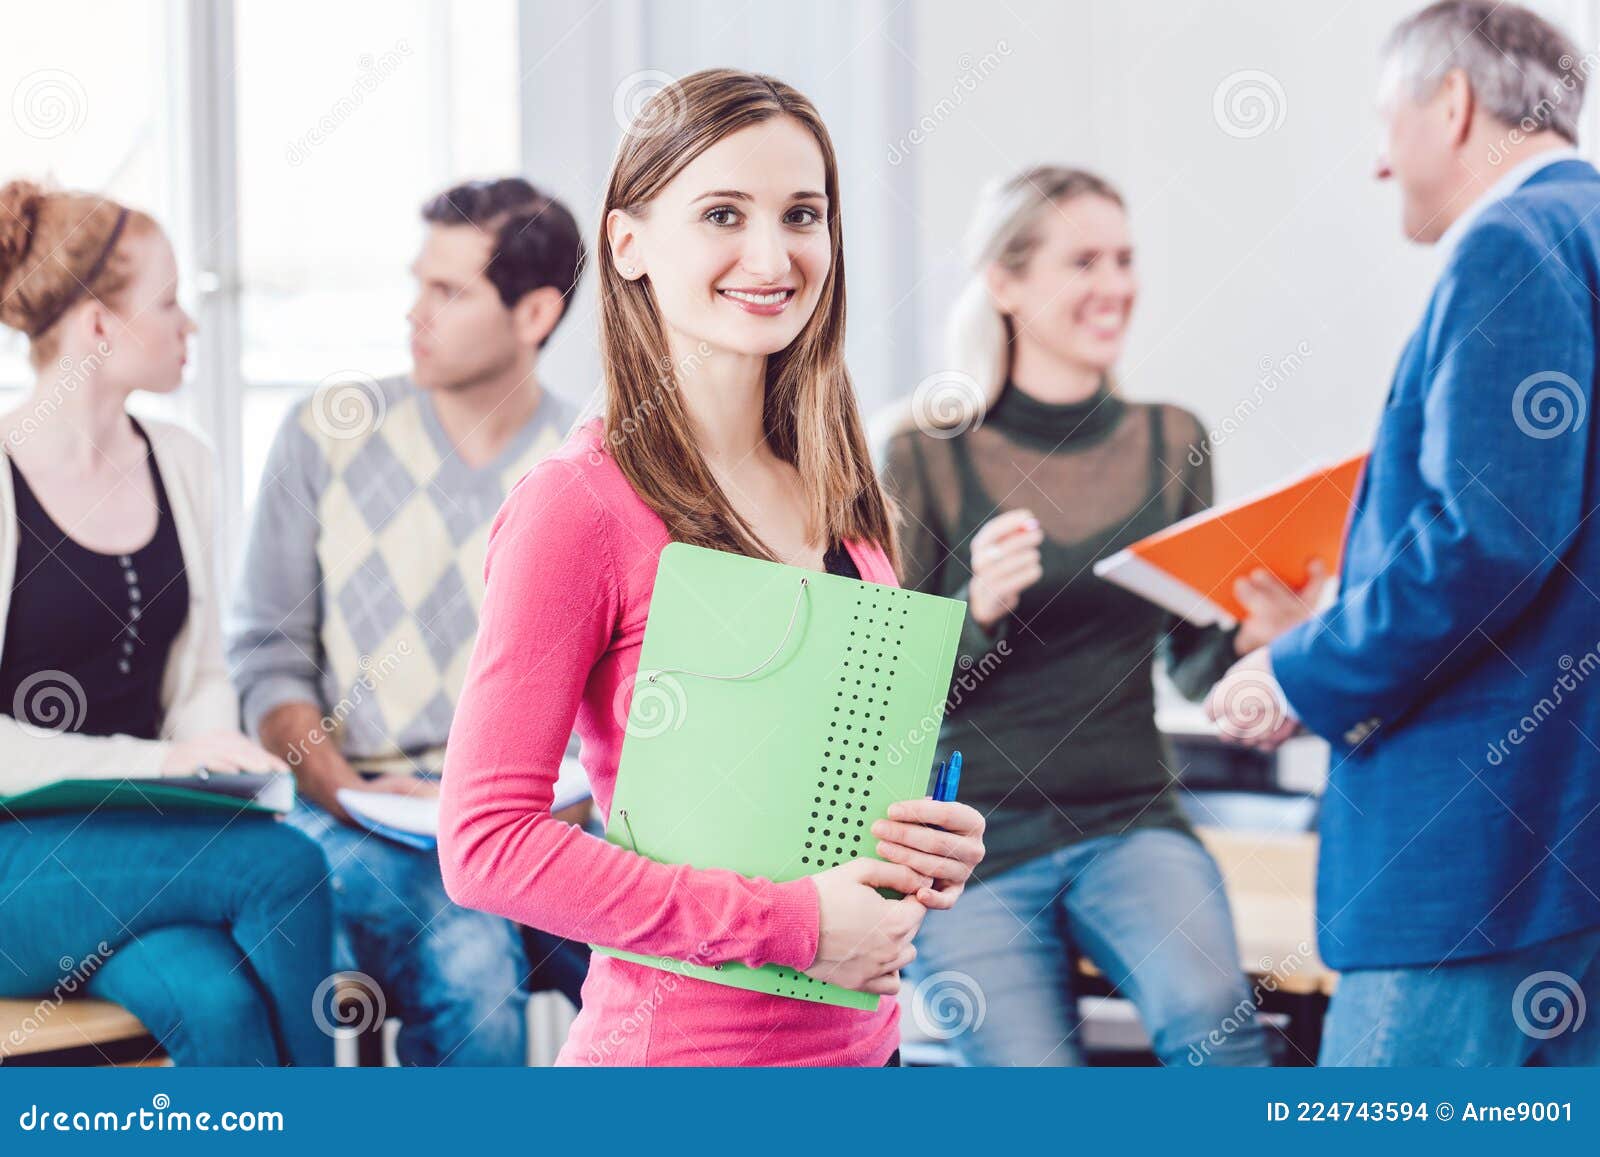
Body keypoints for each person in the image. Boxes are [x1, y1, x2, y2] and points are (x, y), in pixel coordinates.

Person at [437, 69, 986, 1067]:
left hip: (866, 1058)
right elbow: (485, 845)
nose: (772, 255)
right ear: (630, 242)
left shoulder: (844, 483)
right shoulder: (580, 504)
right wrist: (796, 924)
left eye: (802, 213)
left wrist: (922, 843)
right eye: (723, 213)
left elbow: (820, 804)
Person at [1208, 0, 1600, 1066]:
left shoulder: (1511, 245)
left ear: (1453, 102)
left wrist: (1296, 670)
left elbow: (1492, 536)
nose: (1379, 165)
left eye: (1386, 122)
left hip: (1476, 858)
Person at [880, 166, 1324, 1066]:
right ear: (1005, 283)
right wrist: (979, 609)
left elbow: (1191, 664)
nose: (1116, 284)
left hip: (1130, 817)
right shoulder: (924, 454)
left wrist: (1256, 636)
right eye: (1083, 261)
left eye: (1124, 259)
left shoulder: (1173, 440)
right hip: (970, 842)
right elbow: (884, 688)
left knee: (1219, 1034)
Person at [229, 178, 589, 1066]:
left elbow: (636, 694)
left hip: (542, 814)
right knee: (472, 970)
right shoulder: (325, 433)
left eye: (448, 291)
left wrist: (557, 804)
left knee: (696, 969)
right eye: (417, 283)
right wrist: (339, 780)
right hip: (352, 810)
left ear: (535, 311)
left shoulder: (592, 464)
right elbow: (267, 660)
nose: (413, 314)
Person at [0, 180, 333, 1066]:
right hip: (15, 867)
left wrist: (214, 752)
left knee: (215, 1002)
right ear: (99, 327)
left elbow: (197, 678)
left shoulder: (182, 462)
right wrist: (165, 761)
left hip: (139, 845)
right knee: (289, 865)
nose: (191, 325)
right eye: (171, 301)